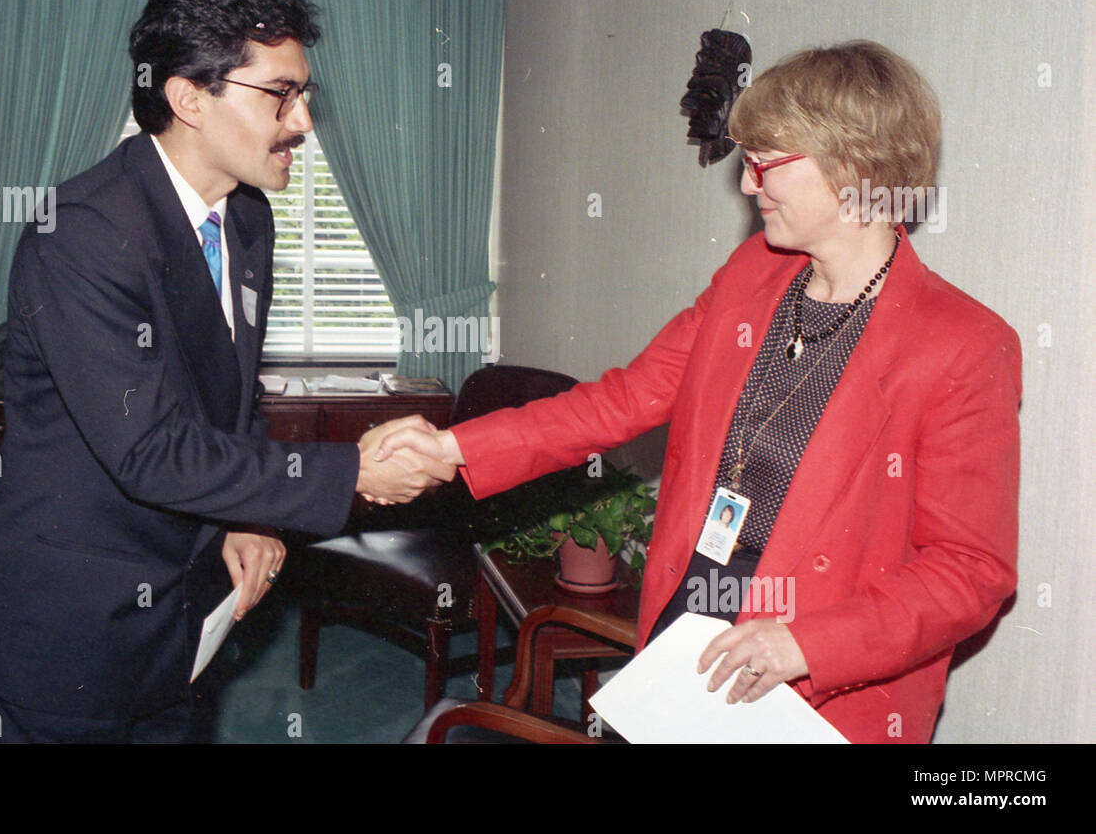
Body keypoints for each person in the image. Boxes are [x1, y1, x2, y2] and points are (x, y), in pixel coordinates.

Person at [376, 41, 1022, 743]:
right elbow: (623, 399)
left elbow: (970, 569)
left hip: (821, 690)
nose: (748, 187)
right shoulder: (753, 274)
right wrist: (450, 446)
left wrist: (807, 644)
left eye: (765, 163)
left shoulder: (962, 344)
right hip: (687, 636)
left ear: (856, 169)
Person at [0, 0, 453, 743]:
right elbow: (150, 450)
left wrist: (243, 518)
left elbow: (227, 400)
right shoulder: (83, 233)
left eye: (306, 94)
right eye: (280, 95)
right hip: (69, 634)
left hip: (185, 619)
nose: (305, 121)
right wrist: (350, 472)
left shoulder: (247, 220)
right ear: (189, 98)